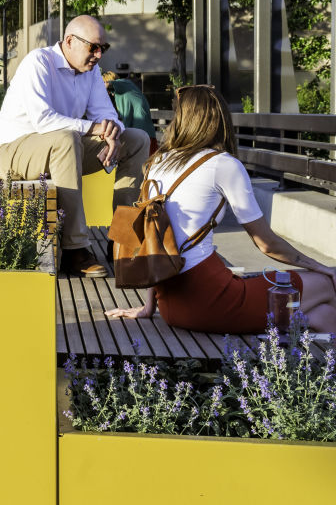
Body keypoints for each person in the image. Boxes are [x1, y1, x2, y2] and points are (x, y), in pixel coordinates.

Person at [106, 85, 336, 334]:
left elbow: (155, 239)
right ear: (220, 119)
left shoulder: (158, 162)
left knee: (321, 314)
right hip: (214, 300)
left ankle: (327, 365)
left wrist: (148, 307)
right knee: (327, 283)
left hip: (172, 307)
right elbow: (266, 244)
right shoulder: (223, 164)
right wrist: (320, 266)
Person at [0, 15, 151, 278]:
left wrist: (113, 133)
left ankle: (122, 240)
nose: (98, 55)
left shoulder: (91, 72)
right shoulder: (38, 62)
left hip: (62, 150)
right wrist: (96, 128)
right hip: (9, 151)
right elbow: (43, 120)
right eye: (93, 47)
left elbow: (105, 114)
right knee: (65, 138)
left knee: (137, 139)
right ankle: (75, 249)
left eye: (103, 49)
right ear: (70, 41)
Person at [102, 71, 157, 154]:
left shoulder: (124, 83)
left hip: (144, 133)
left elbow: (108, 84)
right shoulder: (120, 94)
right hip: (140, 134)